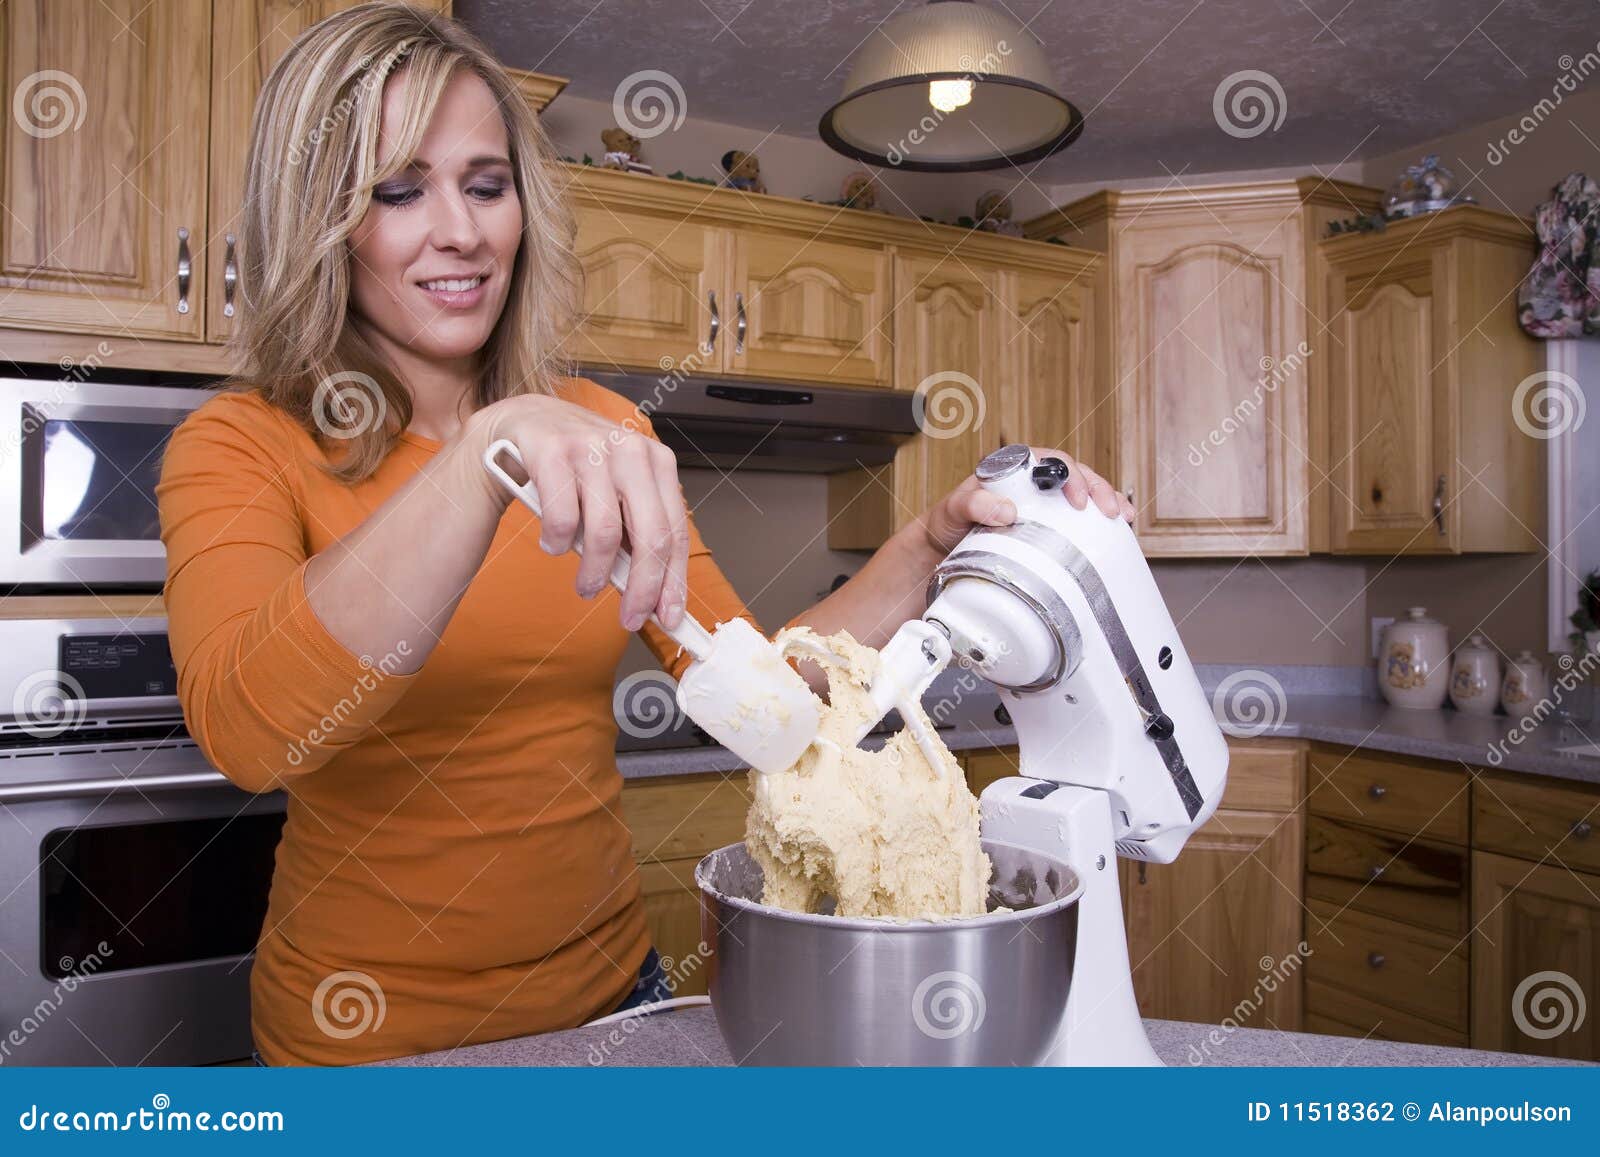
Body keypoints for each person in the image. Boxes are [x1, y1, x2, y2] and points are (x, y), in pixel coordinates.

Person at [156, 2, 1133, 1066]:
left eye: (487, 186)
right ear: (318, 215)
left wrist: (926, 547)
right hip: (365, 1042)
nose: (464, 230)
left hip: (611, 1005)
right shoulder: (241, 446)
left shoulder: (600, 432)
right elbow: (253, 736)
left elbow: (761, 696)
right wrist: (489, 449)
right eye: (399, 190)